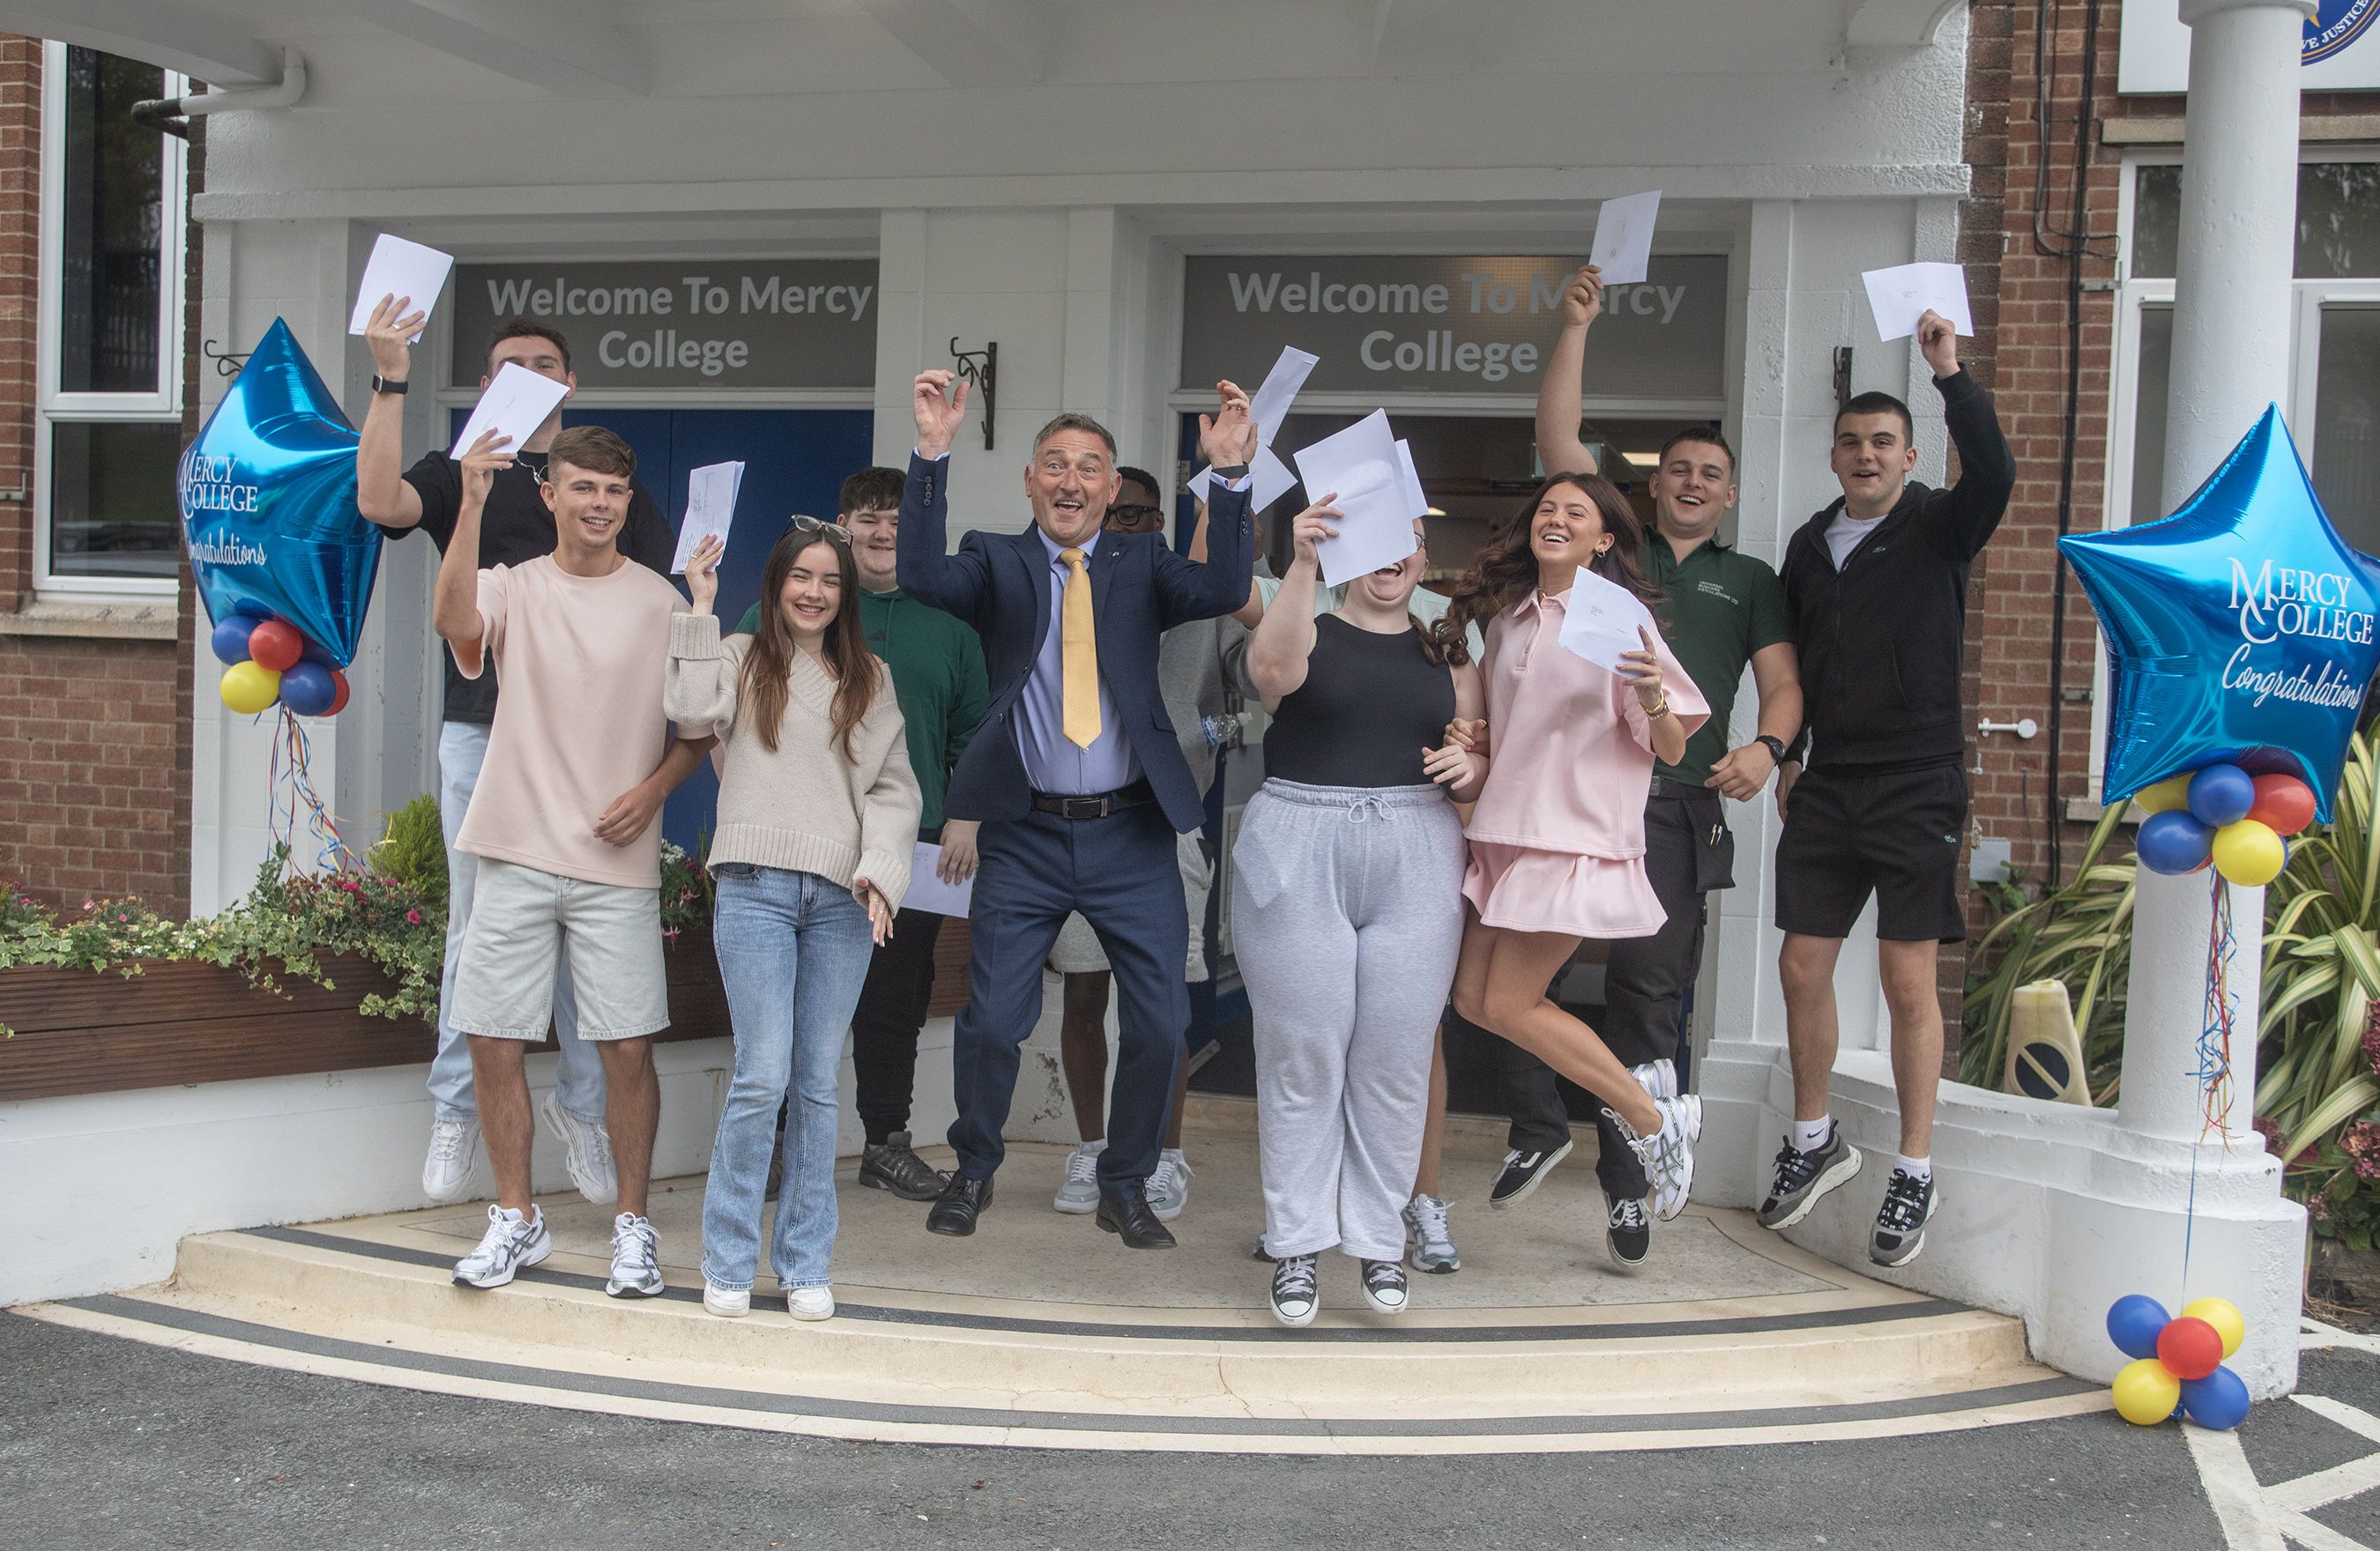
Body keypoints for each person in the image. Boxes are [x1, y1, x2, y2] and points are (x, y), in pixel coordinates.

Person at [897, 368, 1257, 1249]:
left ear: (1110, 486)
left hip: (1132, 832)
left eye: (1089, 467)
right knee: (994, 1020)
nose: (1070, 480)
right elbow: (920, 575)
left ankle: (1123, 1183)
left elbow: (1224, 587)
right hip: (1023, 833)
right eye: (1054, 464)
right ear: (1030, 481)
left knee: (1162, 1019)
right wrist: (931, 454)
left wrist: (1228, 477)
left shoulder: (1145, 565)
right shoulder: (994, 558)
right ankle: (974, 1168)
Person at [1505, 264, 1805, 1269]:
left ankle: (1629, 1187)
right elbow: (1559, 442)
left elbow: (1783, 685)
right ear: (1648, 485)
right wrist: (1577, 326)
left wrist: (1768, 746)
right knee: (1518, 978)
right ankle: (1539, 1126)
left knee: (1646, 997)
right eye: (1677, 468)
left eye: (1710, 473)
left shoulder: (1748, 579)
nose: (1692, 481)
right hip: (1578, 801)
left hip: (1675, 805)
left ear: (1730, 492)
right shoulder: (1612, 560)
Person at [358, 302, 676, 1208]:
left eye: (544, 362)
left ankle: (583, 1110)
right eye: (510, 363)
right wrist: (391, 378)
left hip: (592, 749)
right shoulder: (467, 464)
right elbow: (378, 502)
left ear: (569, 381)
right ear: (488, 381)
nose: (528, 374)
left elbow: (660, 609)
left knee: (588, 938)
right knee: (478, 930)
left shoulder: (605, 478)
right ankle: (458, 1105)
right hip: (485, 731)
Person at [1759, 308, 2015, 1269]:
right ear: (1832, 457)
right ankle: (1813, 1138)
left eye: (1881, 442)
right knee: (1800, 965)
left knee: (1907, 979)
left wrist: (1950, 372)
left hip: (1917, 780)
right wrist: (1791, 751)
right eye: (1850, 442)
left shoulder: (1941, 525)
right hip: (1829, 781)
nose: (1865, 455)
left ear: (1909, 456)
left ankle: (1914, 1167)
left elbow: (1996, 472)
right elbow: (1798, 663)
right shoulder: (1807, 544)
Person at [432, 426, 712, 1296]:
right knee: (492, 1038)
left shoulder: (663, 600)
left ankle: (632, 1226)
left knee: (627, 1047)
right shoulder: (512, 583)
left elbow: (698, 731)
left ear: (629, 501)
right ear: (550, 495)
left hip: (613, 860)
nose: (600, 503)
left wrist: (651, 793)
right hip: (514, 846)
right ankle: (517, 1219)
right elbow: (454, 623)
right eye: (583, 487)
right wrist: (469, 504)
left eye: (614, 490)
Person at [1439, 473, 1708, 1233]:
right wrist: (1468, 740)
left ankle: (1652, 1117)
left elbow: (1671, 746)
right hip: (1506, 831)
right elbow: (1497, 735)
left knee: (1508, 1003)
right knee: (1473, 1001)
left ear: (1604, 539)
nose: (1555, 519)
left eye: (1576, 513)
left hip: (1573, 837)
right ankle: (1644, 1097)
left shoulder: (1616, 616)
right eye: (1547, 509)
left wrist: (1652, 693)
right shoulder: (1508, 621)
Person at [1237, 506, 1484, 1325]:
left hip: (1417, 845)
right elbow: (1271, 671)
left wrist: (1471, 765)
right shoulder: (1304, 618)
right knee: (1301, 1057)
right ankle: (1297, 1242)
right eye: (1375, 538)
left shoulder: (1449, 646)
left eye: (1408, 540)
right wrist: (1304, 561)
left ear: (1423, 556)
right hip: (1299, 837)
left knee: (1396, 1057)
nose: (1392, 555)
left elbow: (1480, 756)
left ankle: (1378, 1238)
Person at [675, 523, 922, 1321]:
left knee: (817, 1082)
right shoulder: (741, 658)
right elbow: (688, 713)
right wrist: (700, 608)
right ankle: (728, 1260)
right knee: (762, 1076)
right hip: (754, 887)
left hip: (842, 900)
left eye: (831, 581)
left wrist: (881, 871)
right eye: (802, 577)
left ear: (846, 595)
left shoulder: (871, 679)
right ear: (777, 582)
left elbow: (894, 789)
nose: (815, 593)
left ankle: (806, 1263)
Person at [732, 469, 990, 1202]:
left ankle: (885, 1143)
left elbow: (975, 738)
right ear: (842, 526)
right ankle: (778, 1148)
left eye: (900, 521)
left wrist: (966, 818)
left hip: (914, 842)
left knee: (896, 1001)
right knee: (787, 1007)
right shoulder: (786, 616)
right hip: (796, 842)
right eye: (869, 519)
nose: (883, 533)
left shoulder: (951, 630)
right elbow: (726, 717)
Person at [1050, 469, 1240, 1225]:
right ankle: (1093, 1147)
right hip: (1078, 824)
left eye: (1136, 514)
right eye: (1110, 513)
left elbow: (1253, 690)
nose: (1120, 526)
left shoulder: (1198, 602)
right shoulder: (1063, 588)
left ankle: (1164, 1155)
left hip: (1166, 827)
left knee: (1161, 1006)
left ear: (1160, 521)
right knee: (1084, 992)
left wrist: (1200, 736)